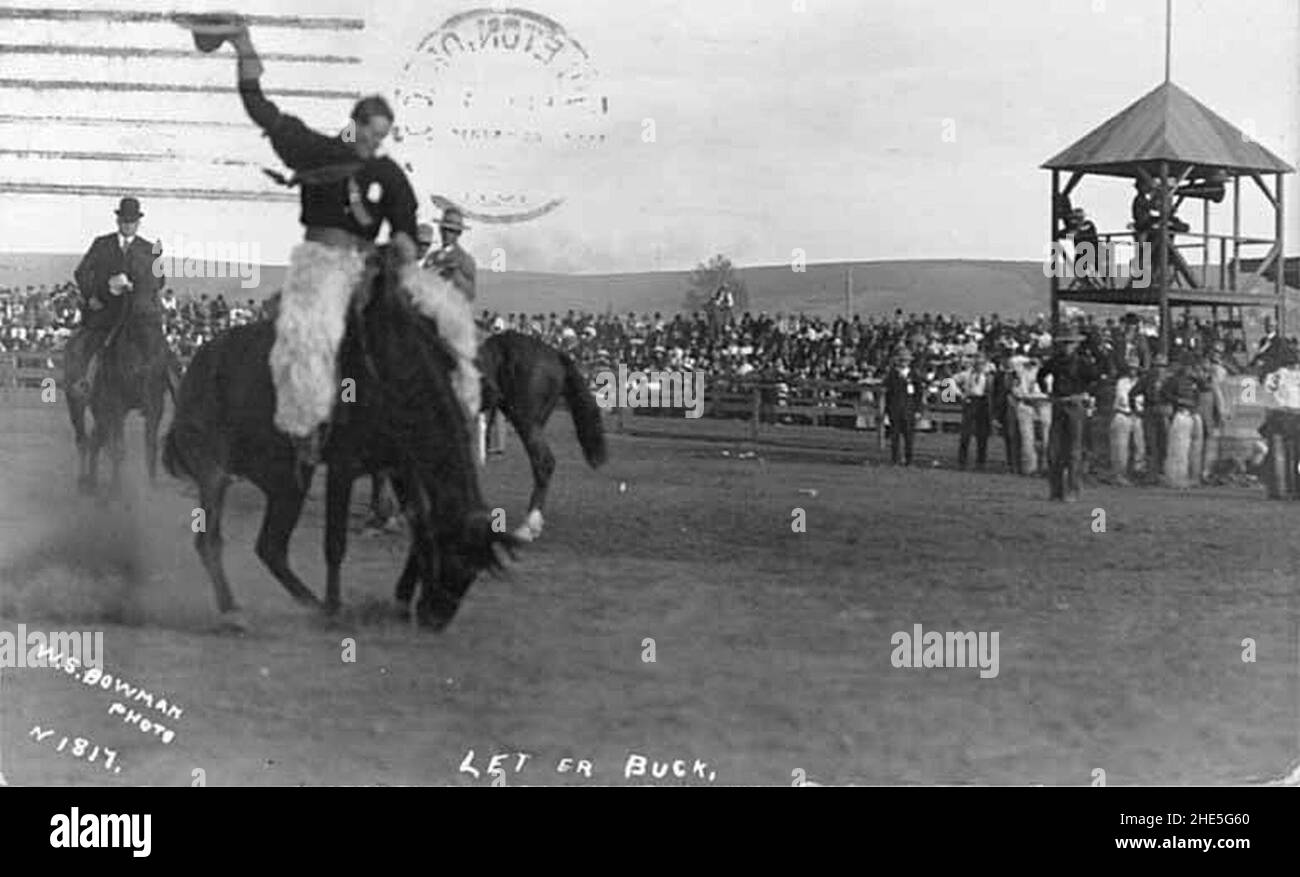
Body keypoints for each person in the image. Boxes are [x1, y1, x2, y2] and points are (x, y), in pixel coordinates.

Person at [198, 16, 480, 467]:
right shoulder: (311, 150)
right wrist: (244, 49)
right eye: (372, 132)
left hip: (371, 267)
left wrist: (405, 242)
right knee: (316, 333)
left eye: (383, 136)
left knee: (450, 317)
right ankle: (305, 428)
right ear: (355, 124)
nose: (376, 142)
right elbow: (259, 107)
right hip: (323, 263)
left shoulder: (387, 173)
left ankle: (453, 420)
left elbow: (404, 220)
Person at [67, 196, 166, 396]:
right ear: (118, 221)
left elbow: (159, 281)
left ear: (138, 223)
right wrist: (92, 295)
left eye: (132, 222)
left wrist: (134, 286)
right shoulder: (102, 243)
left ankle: (170, 384)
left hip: (136, 310)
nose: (128, 225)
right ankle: (83, 381)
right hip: (105, 307)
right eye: (124, 221)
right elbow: (82, 272)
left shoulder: (149, 249)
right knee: (88, 342)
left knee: (159, 344)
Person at [1038, 328, 1100, 501]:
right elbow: (1041, 375)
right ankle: (1056, 490)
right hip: (1059, 404)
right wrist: (1047, 392)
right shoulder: (1055, 361)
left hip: (1075, 404)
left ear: (1076, 345)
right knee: (1054, 450)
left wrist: (1084, 394)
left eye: (1070, 343)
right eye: (1064, 343)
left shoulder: (1082, 362)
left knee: (1074, 450)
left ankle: (1073, 489)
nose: (1067, 347)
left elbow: (1096, 378)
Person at [425, 207, 477, 303]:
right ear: (440, 229)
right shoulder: (431, 257)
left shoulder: (465, 260)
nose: (446, 233)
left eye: (451, 230)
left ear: (459, 233)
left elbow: (470, 295)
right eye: (444, 229)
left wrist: (456, 275)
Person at [884, 346, 924, 466]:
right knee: (895, 437)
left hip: (909, 409)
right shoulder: (891, 374)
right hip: (894, 409)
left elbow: (919, 394)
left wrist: (918, 410)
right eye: (901, 360)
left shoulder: (914, 374)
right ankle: (895, 459)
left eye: (906, 360)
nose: (903, 362)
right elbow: (887, 393)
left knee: (909, 437)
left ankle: (909, 460)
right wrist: (886, 410)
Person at [956, 350, 992, 470]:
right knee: (965, 433)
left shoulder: (988, 375)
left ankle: (981, 461)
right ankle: (962, 460)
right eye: (977, 363)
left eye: (982, 363)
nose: (979, 365)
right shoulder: (966, 374)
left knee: (982, 434)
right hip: (970, 401)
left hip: (984, 402)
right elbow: (949, 382)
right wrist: (960, 395)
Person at [1109, 363, 1145, 485]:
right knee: (1121, 447)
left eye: (1135, 369)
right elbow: (1122, 398)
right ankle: (1119, 475)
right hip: (1123, 414)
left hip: (1137, 415)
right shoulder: (1122, 382)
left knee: (1140, 446)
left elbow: (1142, 399)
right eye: (1131, 368)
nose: (1133, 371)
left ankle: (1137, 473)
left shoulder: (1140, 381)